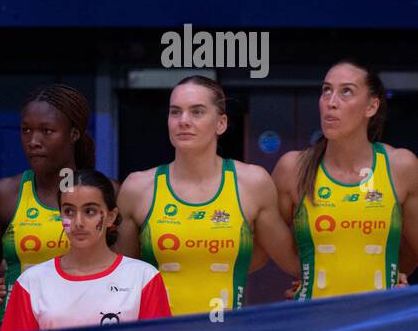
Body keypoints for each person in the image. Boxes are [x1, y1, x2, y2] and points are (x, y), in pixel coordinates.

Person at [116, 76, 299, 315]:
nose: (183, 121)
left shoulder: (252, 183)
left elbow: (291, 260)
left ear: (221, 123)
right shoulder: (137, 188)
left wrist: (313, 286)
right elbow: (118, 281)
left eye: (197, 112)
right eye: (175, 112)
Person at [272, 61, 418, 298]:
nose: (331, 102)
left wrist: (397, 272)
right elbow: (262, 244)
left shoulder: (400, 166)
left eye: (346, 92)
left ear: (371, 106)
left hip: (379, 326)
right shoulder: (293, 168)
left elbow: (413, 247)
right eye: (326, 90)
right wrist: (306, 274)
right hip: (313, 323)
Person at [0, 84, 95, 331]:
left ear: (74, 134)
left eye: (47, 131)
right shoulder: (6, 195)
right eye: (26, 130)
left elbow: (127, 279)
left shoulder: (108, 195)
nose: (33, 141)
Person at [1, 170, 172, 331]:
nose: (78, 222)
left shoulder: (143, 277)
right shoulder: (31, 282)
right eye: (69, 211)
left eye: (89, 211)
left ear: (111, 217)